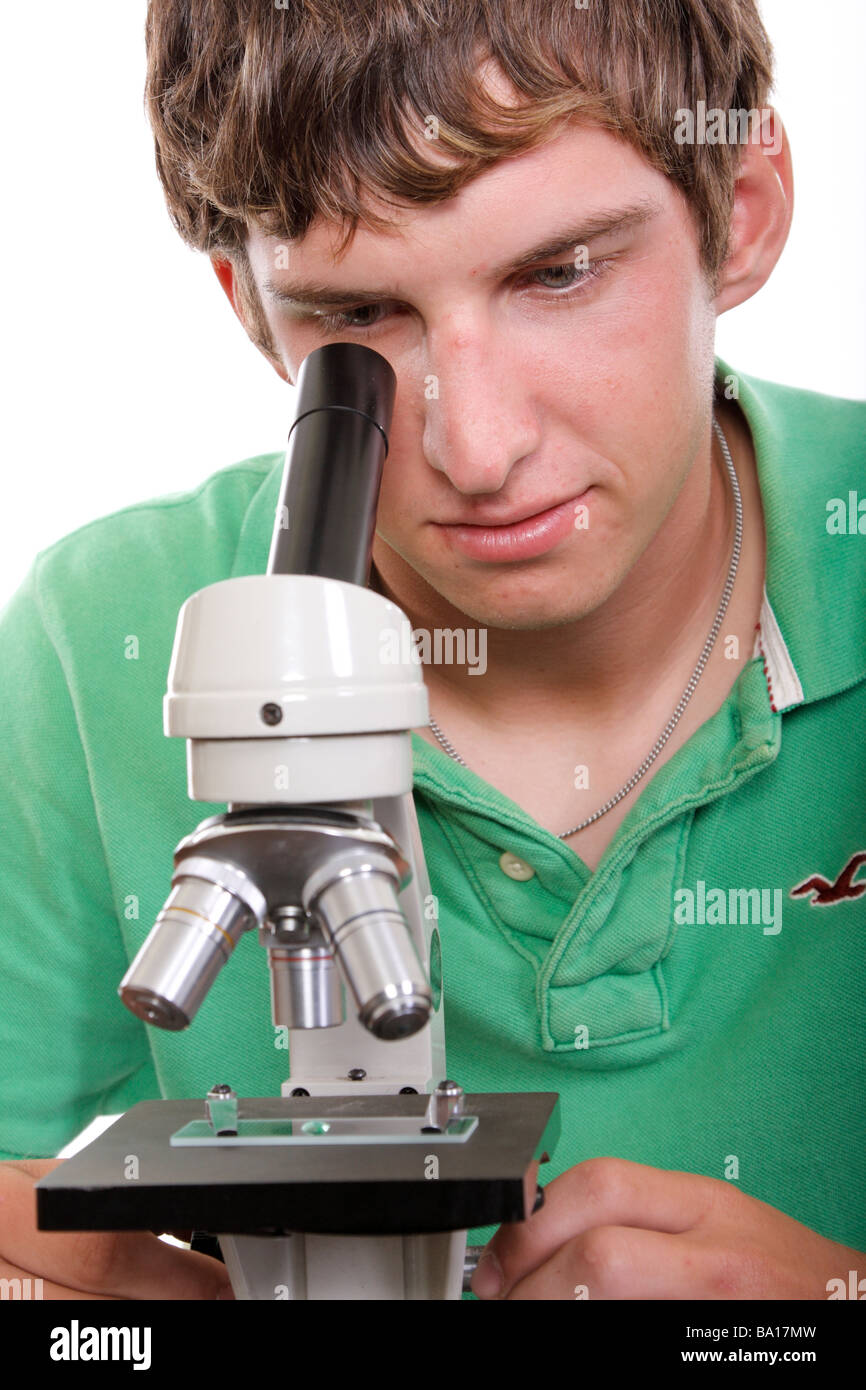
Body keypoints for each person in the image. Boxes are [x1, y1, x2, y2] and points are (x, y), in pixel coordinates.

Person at [1, 0, 863, 1301]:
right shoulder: (101, 627)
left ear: (737, 209)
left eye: (558, 272)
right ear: (247, 304)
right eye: (357, 314)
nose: (477, 449)